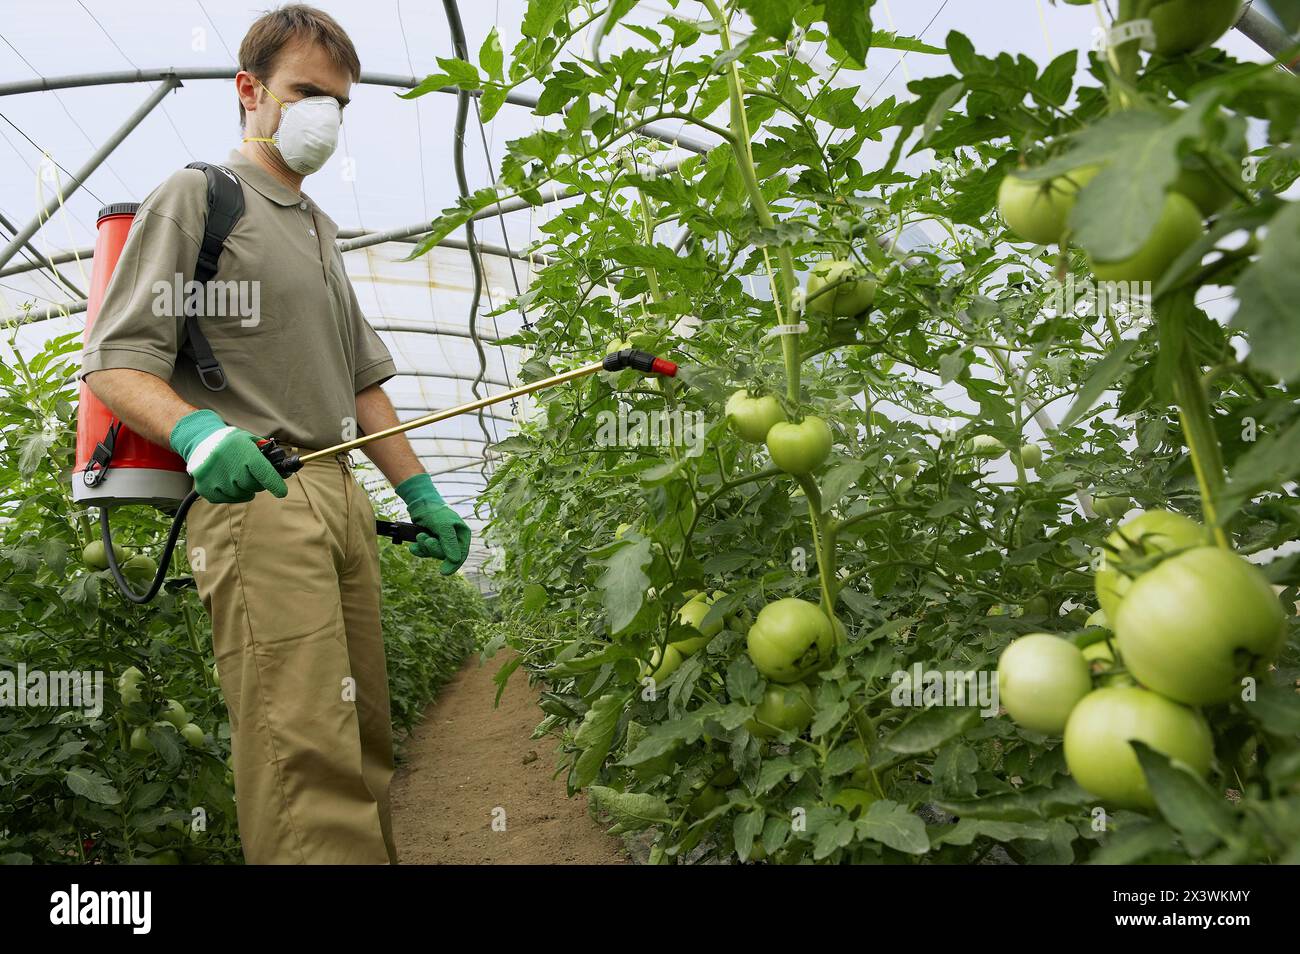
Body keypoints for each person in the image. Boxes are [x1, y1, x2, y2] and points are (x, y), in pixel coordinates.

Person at [81, 4, 470, 864]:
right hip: (260, 495)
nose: (323, 117)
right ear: (249, 91)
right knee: (304, 755)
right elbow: (114, 361)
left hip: (343, 501)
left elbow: (363, 384)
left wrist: (420, 492)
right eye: (305, 93)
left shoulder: (318, 227)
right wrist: (197, 433)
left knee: (365, 739)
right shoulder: (199, 197)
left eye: (338, 101)